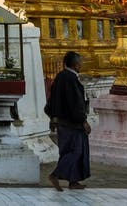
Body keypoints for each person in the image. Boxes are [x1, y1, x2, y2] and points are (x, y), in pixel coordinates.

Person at [46, 50, 91, 191]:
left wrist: (53, 117)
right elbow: (76, 103)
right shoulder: (71, 79)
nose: (81, 65)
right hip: (73, 122)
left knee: (67, 151)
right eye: (80, 62)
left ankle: (74, 181)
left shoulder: (60, 77)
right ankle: (55, 174)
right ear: (76, 65)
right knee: (76, 151)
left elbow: (52, 100)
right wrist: (83, 120)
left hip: (62, 121)